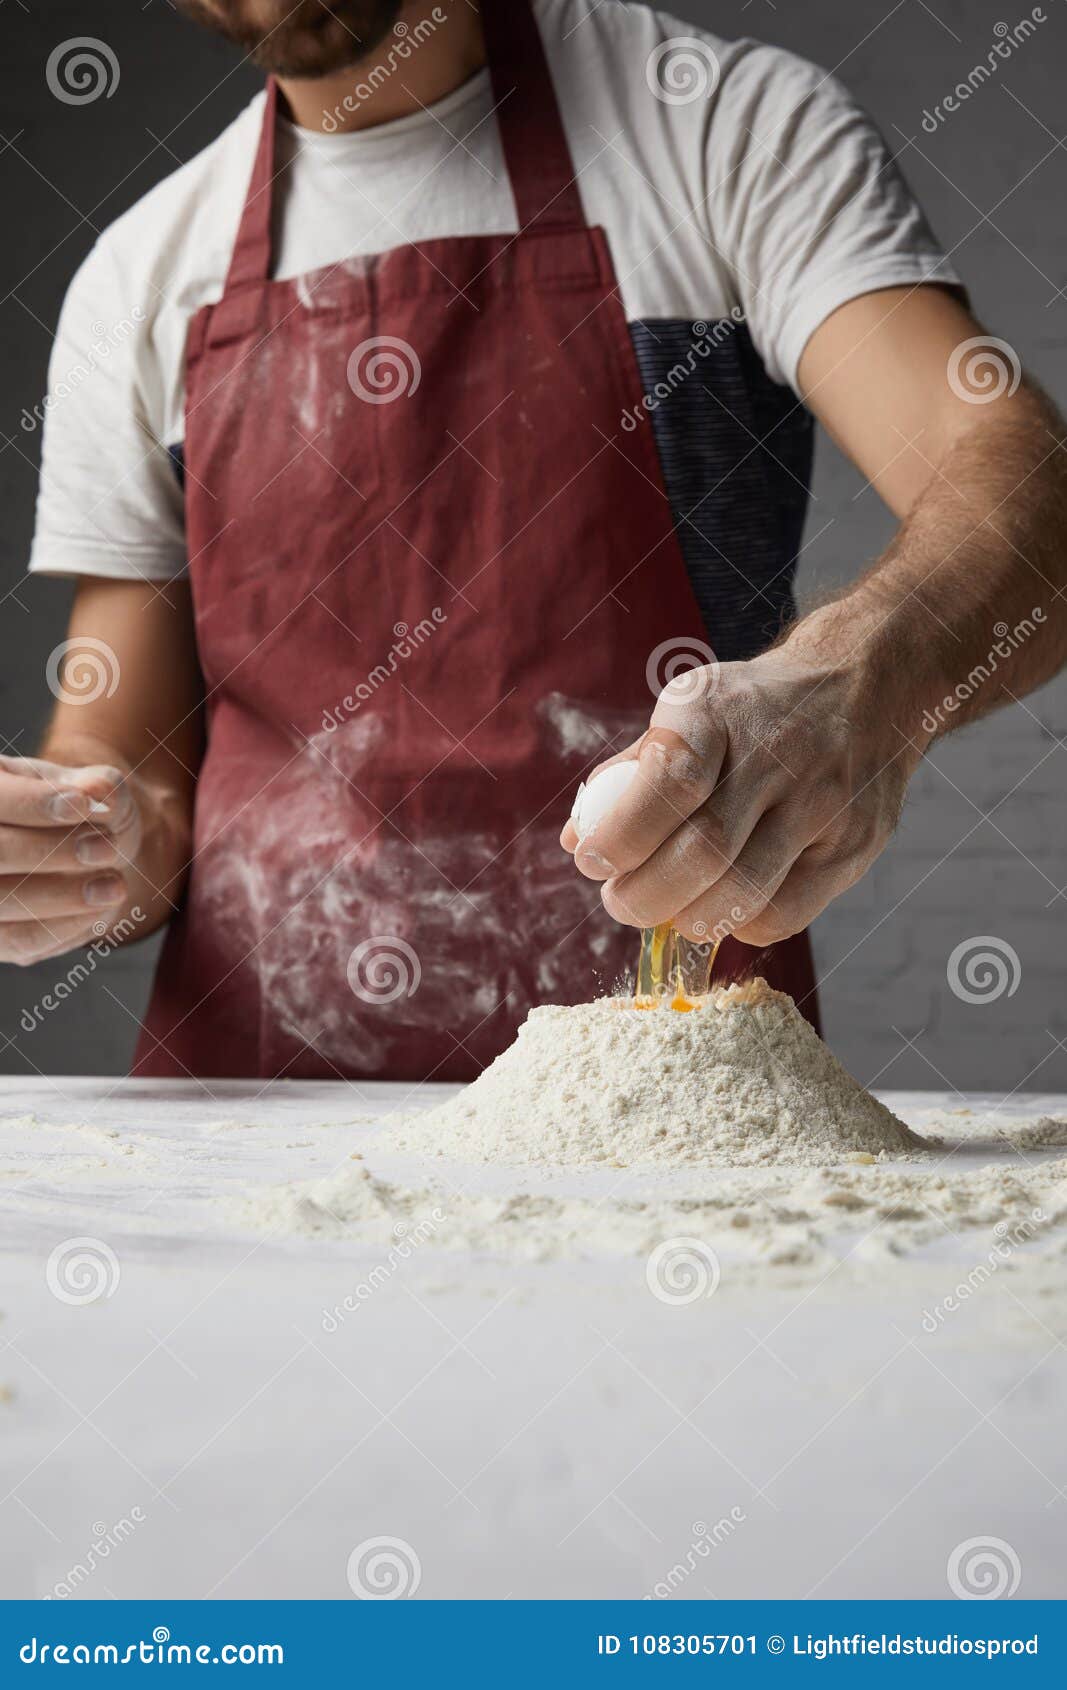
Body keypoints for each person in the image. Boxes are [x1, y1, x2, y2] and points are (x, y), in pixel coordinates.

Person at [6, 0, 1065, 1080]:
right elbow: (127, 767)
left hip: (667, 1090)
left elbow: (1020, 488)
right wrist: (83, 843)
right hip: (251, 1118)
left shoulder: (719, 128)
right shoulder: (137, 277)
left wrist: (854, 685)